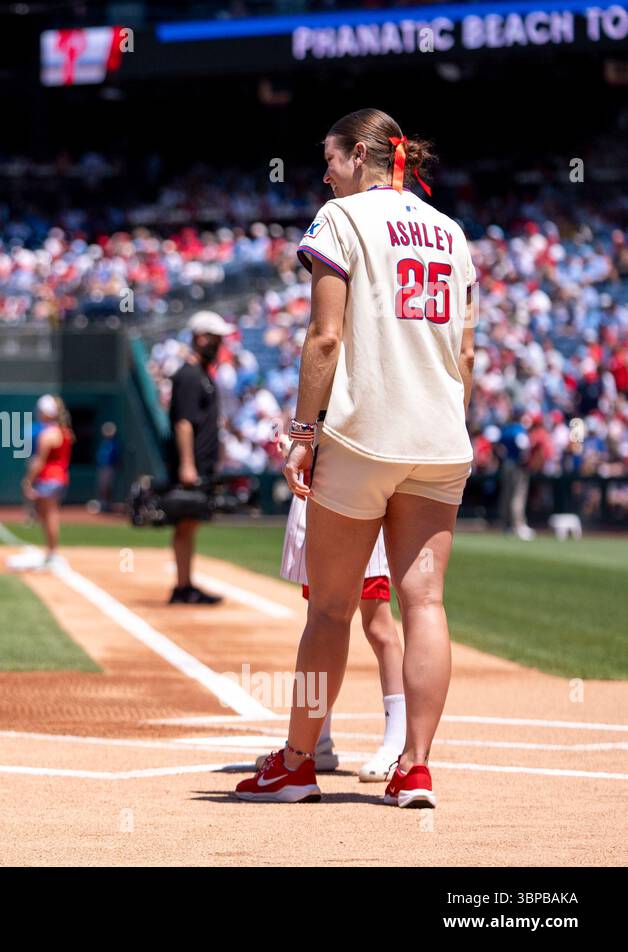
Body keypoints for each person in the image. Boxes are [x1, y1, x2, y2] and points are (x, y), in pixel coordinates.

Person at [236, 108, 476, 808]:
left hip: (363, 433)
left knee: (332, 610)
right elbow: (464, 355)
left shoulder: (339, 219)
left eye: (331, 157)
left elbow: (325, 338)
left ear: (360, 156)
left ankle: (298, 762)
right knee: (424, 601)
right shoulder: (452, 233)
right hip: (438, 439)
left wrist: (303, 432)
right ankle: (416, 768)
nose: (324, 170)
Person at [255, 472, 407, 782]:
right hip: (320, 499)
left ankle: (397, 744)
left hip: (355, 498)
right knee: (320, 622)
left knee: (378, 626)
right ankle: (317, 742)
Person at [166, 311, 232, 605]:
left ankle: (186, 583)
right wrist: (187, 465)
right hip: (191, 463)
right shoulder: (189, 376)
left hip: (202, 461)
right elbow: (183, 423)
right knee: (185, 523)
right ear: (201, 337)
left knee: (191, 523)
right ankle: (182, 586)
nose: (219, 345)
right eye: (216, 339)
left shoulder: (203, 374)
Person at [8, 394, 74, 571]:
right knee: (47, 515)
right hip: (59, 478)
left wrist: (28, 481)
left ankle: (52, 554)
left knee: (49, 515)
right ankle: (51, 553)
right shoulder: (65, 432)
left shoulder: (48, 434)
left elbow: (39, 461)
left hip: (48, 479)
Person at [87, 420, 120, 514]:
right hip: (102, 467)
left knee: (107, 487)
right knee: (102, 487)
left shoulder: (113, 444)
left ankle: (106, 504)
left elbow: (116, 458)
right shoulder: (104, 443)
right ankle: (103, 504)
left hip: (109, 468)